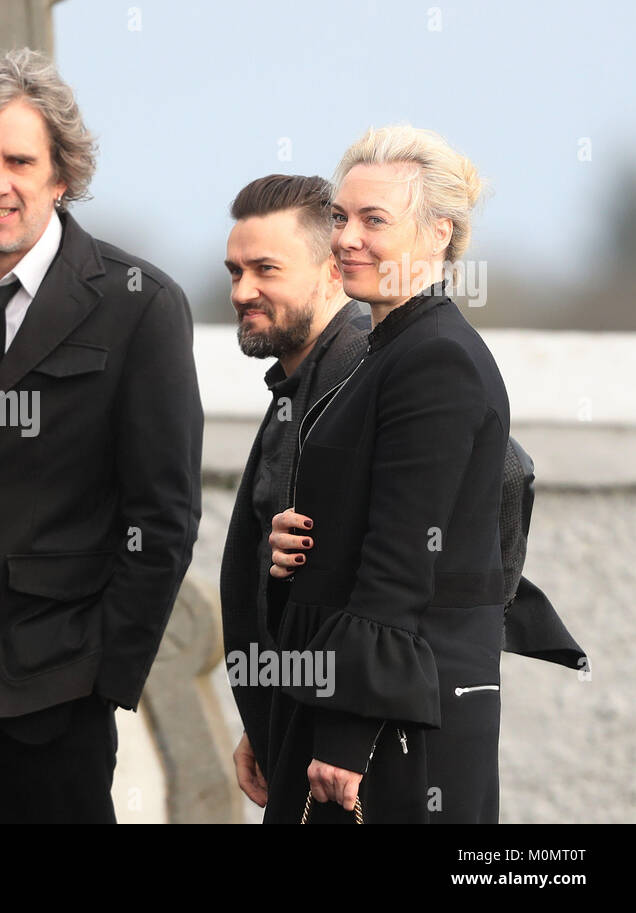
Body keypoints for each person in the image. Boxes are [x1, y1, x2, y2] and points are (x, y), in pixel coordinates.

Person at [0, 48, 203, 823]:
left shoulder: (140, 305)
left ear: (62, 177)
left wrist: (108, 677)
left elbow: (163, 513)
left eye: (20, 160)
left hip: (56, 692)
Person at [221, 173, 585, 818]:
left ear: (439, 232)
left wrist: (446, 646)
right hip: (326, 702)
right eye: (340, 219)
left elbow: (483, 498)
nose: (242, 290)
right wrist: (276, 701)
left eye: (265, 269)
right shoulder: (359, 359)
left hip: (381, 721)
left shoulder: (409, 355)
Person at [264, 125, 519, 823]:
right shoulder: (388, 352)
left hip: (394, 727)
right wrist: (295, 547)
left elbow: (403, 561)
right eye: (340, 217)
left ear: (440, 233)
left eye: (374, 219)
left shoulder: (434, 360)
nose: (347, 237)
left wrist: (345, 736)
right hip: (356, 701)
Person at [217, 175, 371, 810]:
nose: (241, 291)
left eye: (265, 269)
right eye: (234, 271)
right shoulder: (302, 379)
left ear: (334, 269)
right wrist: (268, 713)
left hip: (343, 758)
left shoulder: (366, 369)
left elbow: (500, 476)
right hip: (293, 729)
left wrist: (348, 735)